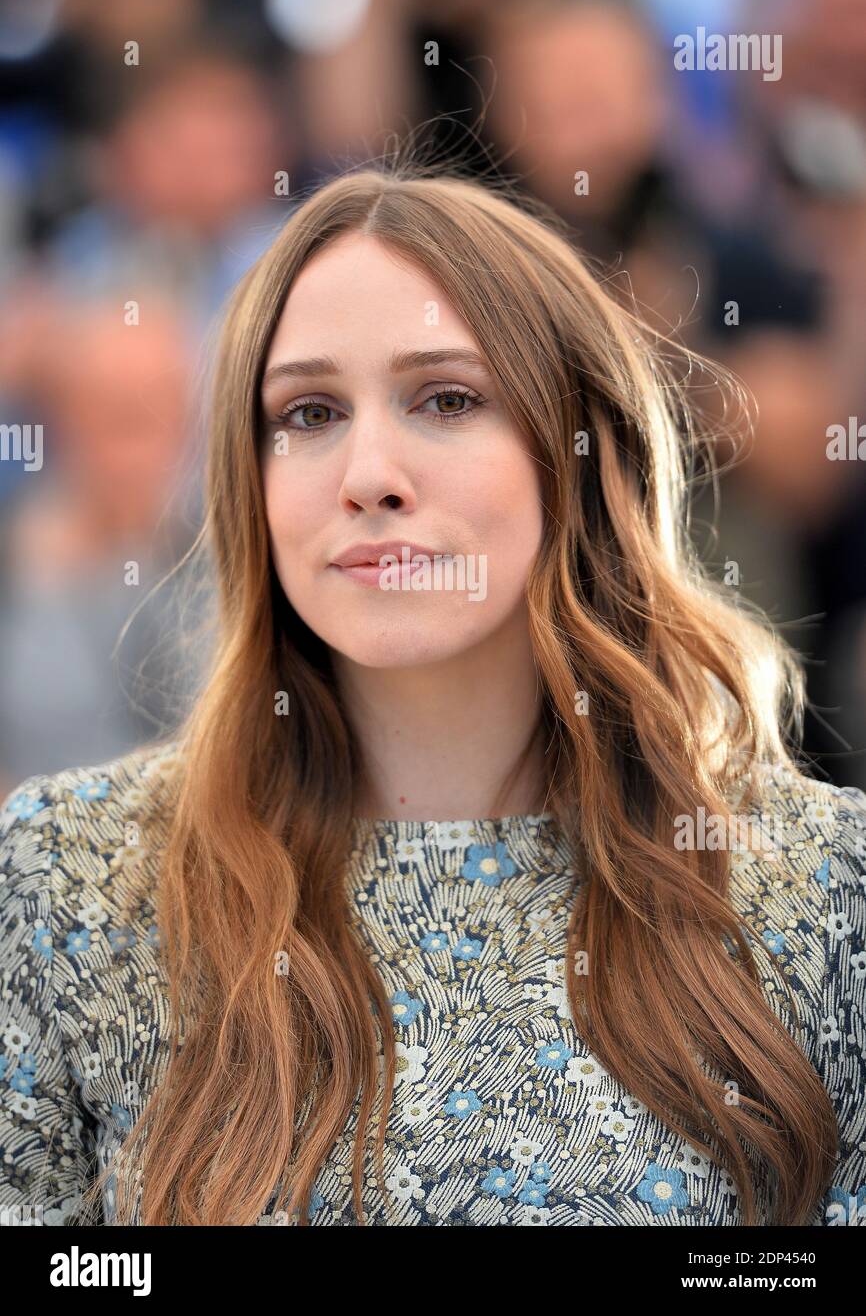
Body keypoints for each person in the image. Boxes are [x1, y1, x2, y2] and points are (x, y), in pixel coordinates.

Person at [1, 160, 864, 1228]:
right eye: (308, 412)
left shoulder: (825, 893)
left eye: (446, 398)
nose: (367, 471)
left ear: (576, 452)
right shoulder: (70, 881)